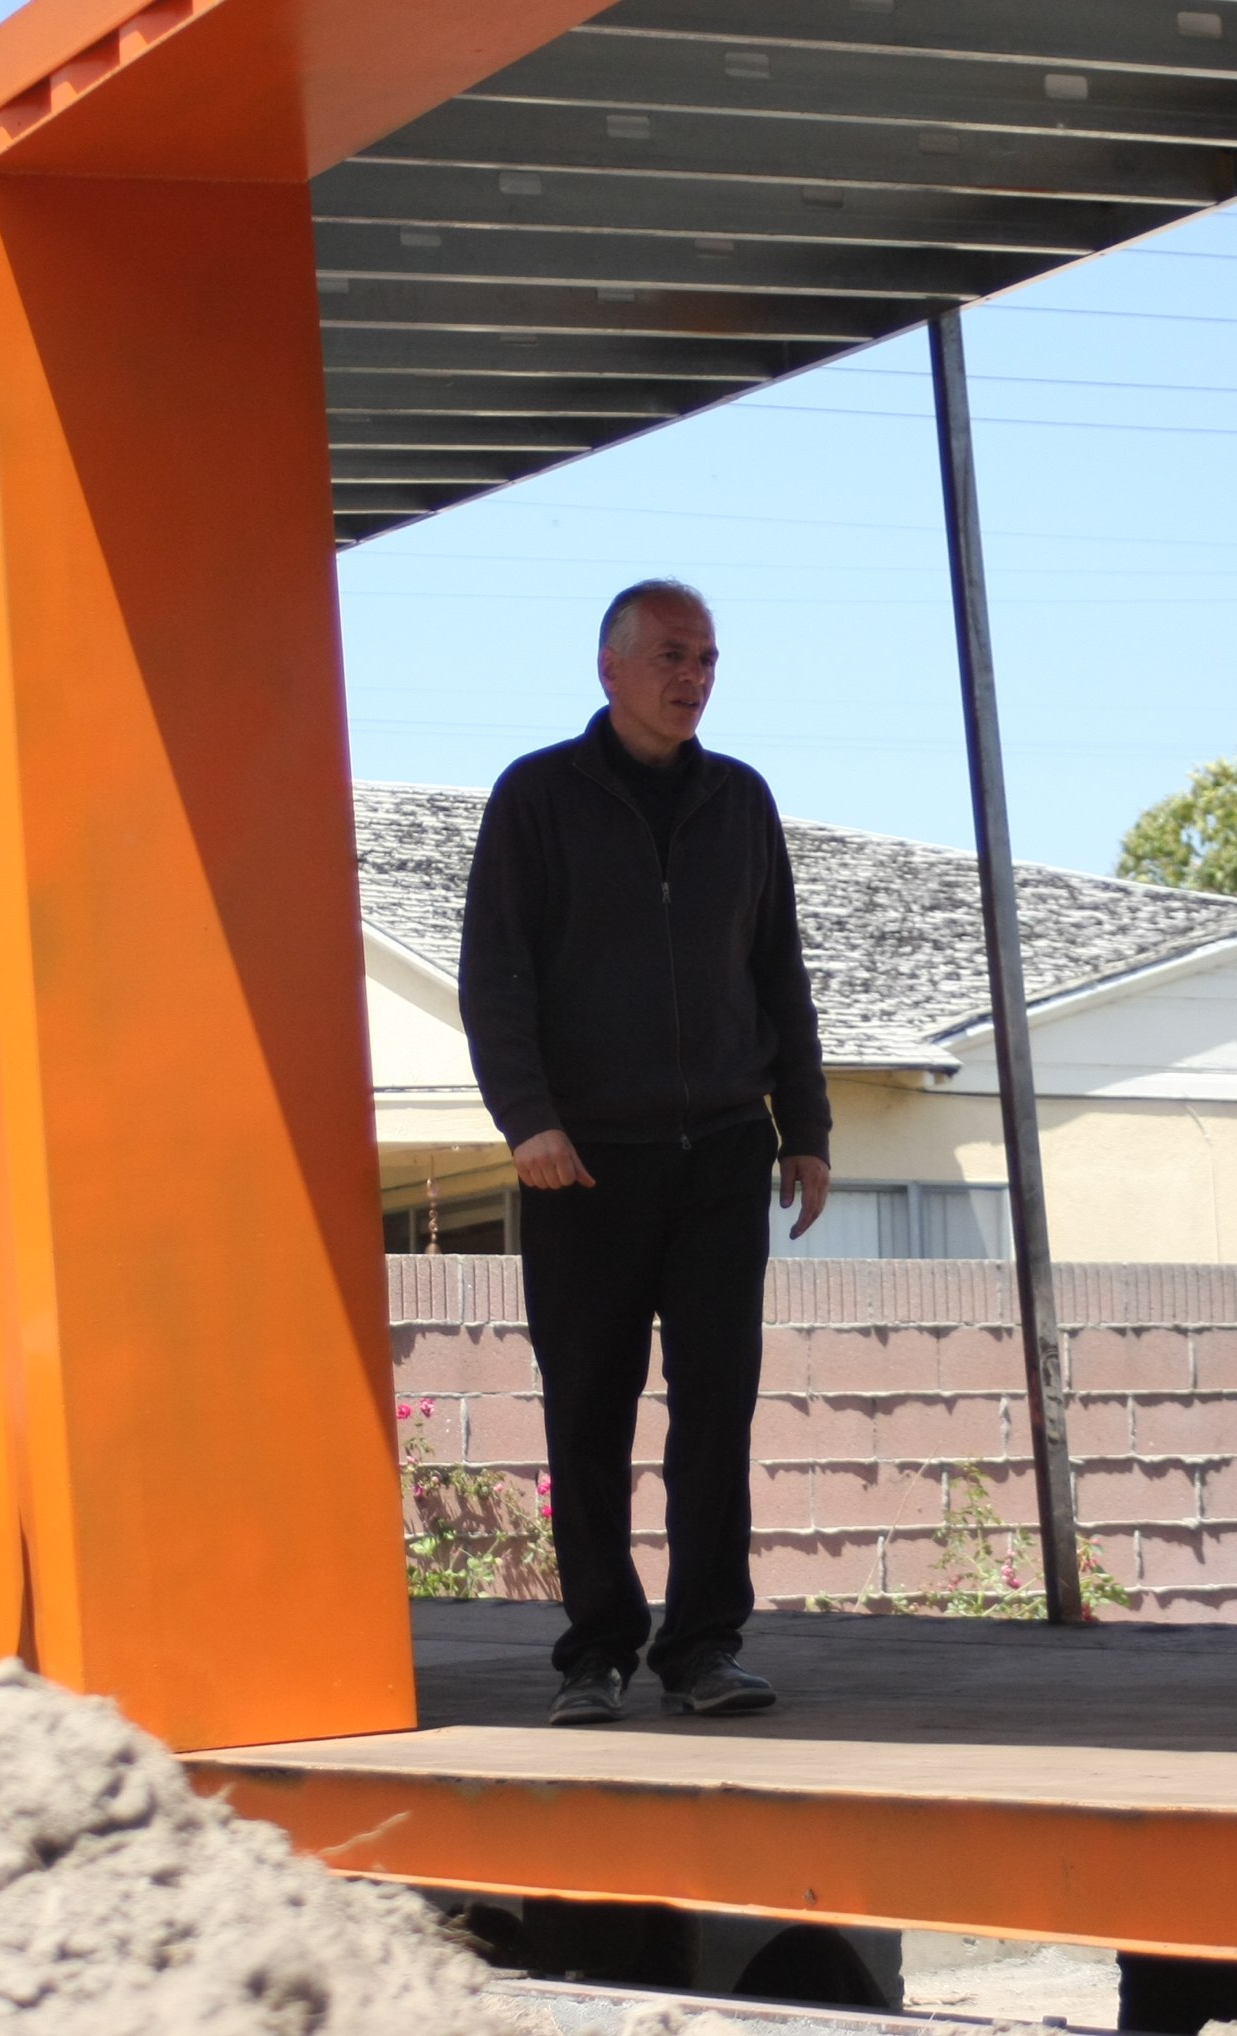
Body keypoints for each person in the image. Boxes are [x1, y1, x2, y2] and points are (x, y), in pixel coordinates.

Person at [459, 579, 831, 1727]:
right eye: (673, 655)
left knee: (716, 1408)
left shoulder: (741, 801)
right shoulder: (537, 798)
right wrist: (529, 1120)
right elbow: (496, 974)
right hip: (584, 1166)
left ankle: (705, 1645)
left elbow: (779, 974)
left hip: (721, 1152)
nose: (694, 678)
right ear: (611, 668)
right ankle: (595, 1652)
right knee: (590, 1408)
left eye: (709, 658)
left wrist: (804, 1127)